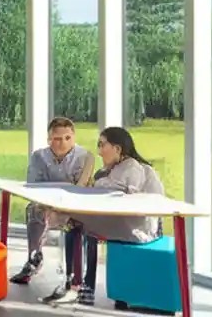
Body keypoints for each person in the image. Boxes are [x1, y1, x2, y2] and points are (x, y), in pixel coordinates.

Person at [42, 127, 164, 306]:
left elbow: (122, 197)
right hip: (129, 221)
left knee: (78, 222)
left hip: (138, 228)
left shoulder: (133, 167)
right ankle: (78, 282)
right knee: (78, 222)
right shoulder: (120, 167)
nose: (99, 152)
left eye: (102, 145)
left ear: (117, 149)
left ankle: (78, 283)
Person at [10, 117, 94, 286]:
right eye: (57, 139)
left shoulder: (85, 157)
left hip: (74, 208)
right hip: (46, 205)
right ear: (49, 140)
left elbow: (81, 188)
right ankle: (34, 258)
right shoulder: (38, 157)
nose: (63, 143)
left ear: (74, 138)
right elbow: (33, 186)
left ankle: (73, 273)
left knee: (74, 220)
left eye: (67, 138)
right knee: (33, 210)